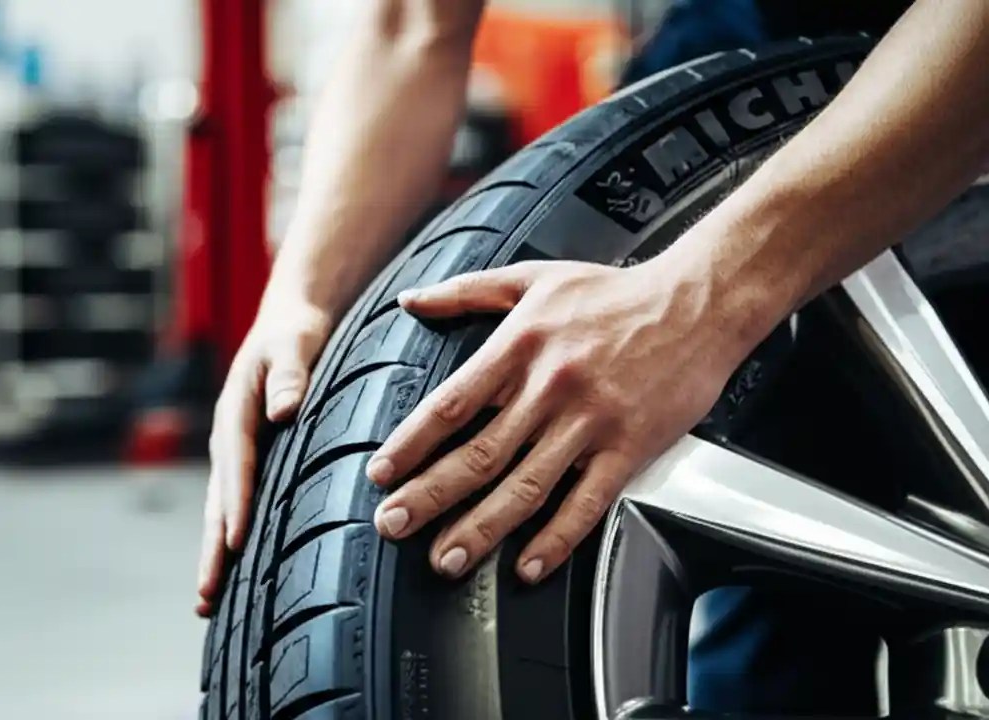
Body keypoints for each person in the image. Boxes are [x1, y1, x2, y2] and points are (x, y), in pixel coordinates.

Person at [197, 0, 989, 711]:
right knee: (771, 628)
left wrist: (704, 298)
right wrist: (302, 305)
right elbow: (413, 25)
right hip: (736, 36)